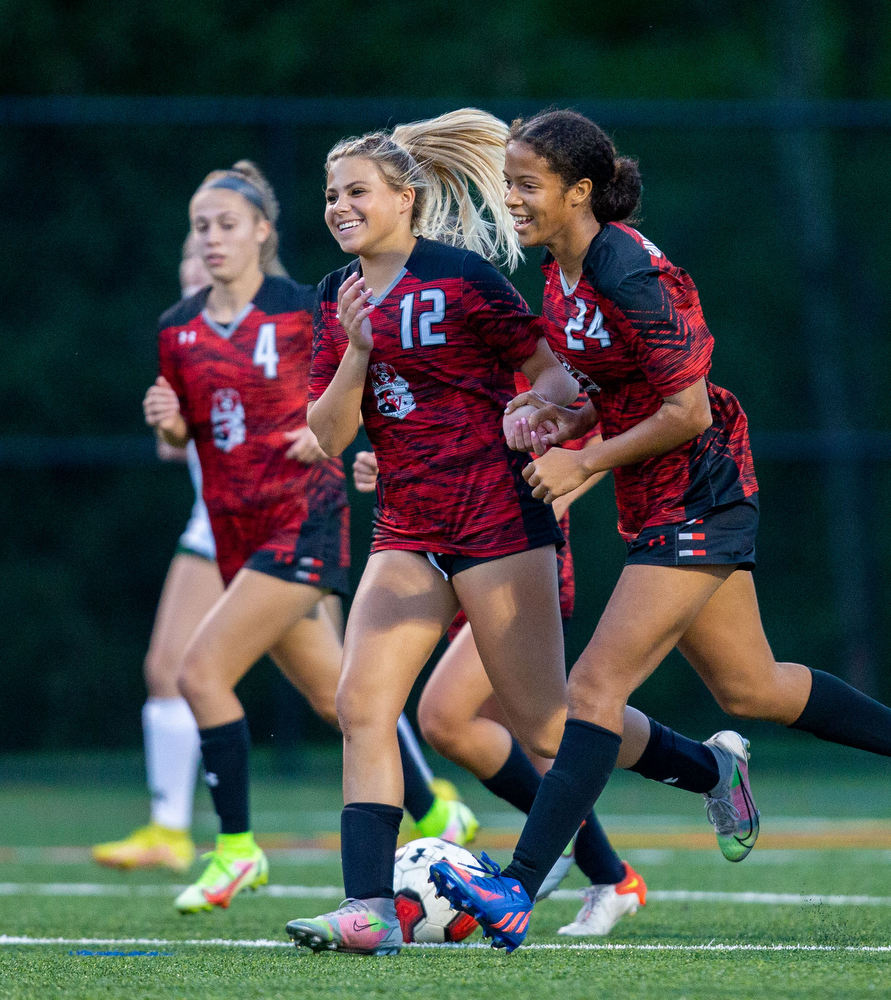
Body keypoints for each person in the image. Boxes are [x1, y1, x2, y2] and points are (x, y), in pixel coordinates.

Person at [430, 109, 891, 951]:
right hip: (657, 491)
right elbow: (595, 385)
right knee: (750, 688)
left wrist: (585, 461)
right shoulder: (560, 272)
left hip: (700, 485)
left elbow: (685, 411)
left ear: (580, 192)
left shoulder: (623, 266)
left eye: (526, 183)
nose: (512, 197)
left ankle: (515, 888)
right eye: (509, 181)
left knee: (595, 692)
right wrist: (547, 410)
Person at [284, 108, 584, 957]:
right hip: (409, 529)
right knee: (360, 704)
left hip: (496, 520)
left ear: (405, 199)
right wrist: (355, 351)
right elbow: (333, 437)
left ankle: (710, 768)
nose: (340, 206)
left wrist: (539, 416)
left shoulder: (464, 280)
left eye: (357, 192)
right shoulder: (334, 298)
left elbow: (553, 374)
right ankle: (367, 911)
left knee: (551, 728)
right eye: (331, 195)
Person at [146, 160, 473, 915]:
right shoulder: (178, 329)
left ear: (263, 231)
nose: (212, 239)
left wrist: (320, 427)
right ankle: (436, 814)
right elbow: (190, 433)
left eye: (227, 224)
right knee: (341, 699)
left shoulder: (304, 307)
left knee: (198, 674)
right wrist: (166, 418)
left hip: (304, 518)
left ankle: (236, 852)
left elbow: (359, 379)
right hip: (236, 531)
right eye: (202, 227)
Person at [353, 400, 649, 937]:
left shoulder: (518, 339)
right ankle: (610, 874)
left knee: (448, 716)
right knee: (538, 742)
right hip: (450, 550)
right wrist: (389, 465)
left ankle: (702, 767)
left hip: (515, 557)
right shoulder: (442, 346)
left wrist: (548, 499)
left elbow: (597, 421)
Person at [93, 244, 222, 873]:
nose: (199, 259)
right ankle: (169, 831)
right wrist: (173, 424)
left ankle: (431, 809)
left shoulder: (272, 320)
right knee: (166, 668)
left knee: (336, 691)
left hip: (275, 527)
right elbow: (179, 448)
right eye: (190, 246)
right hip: (213, 529)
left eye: (219, 235)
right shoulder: (184, 332)